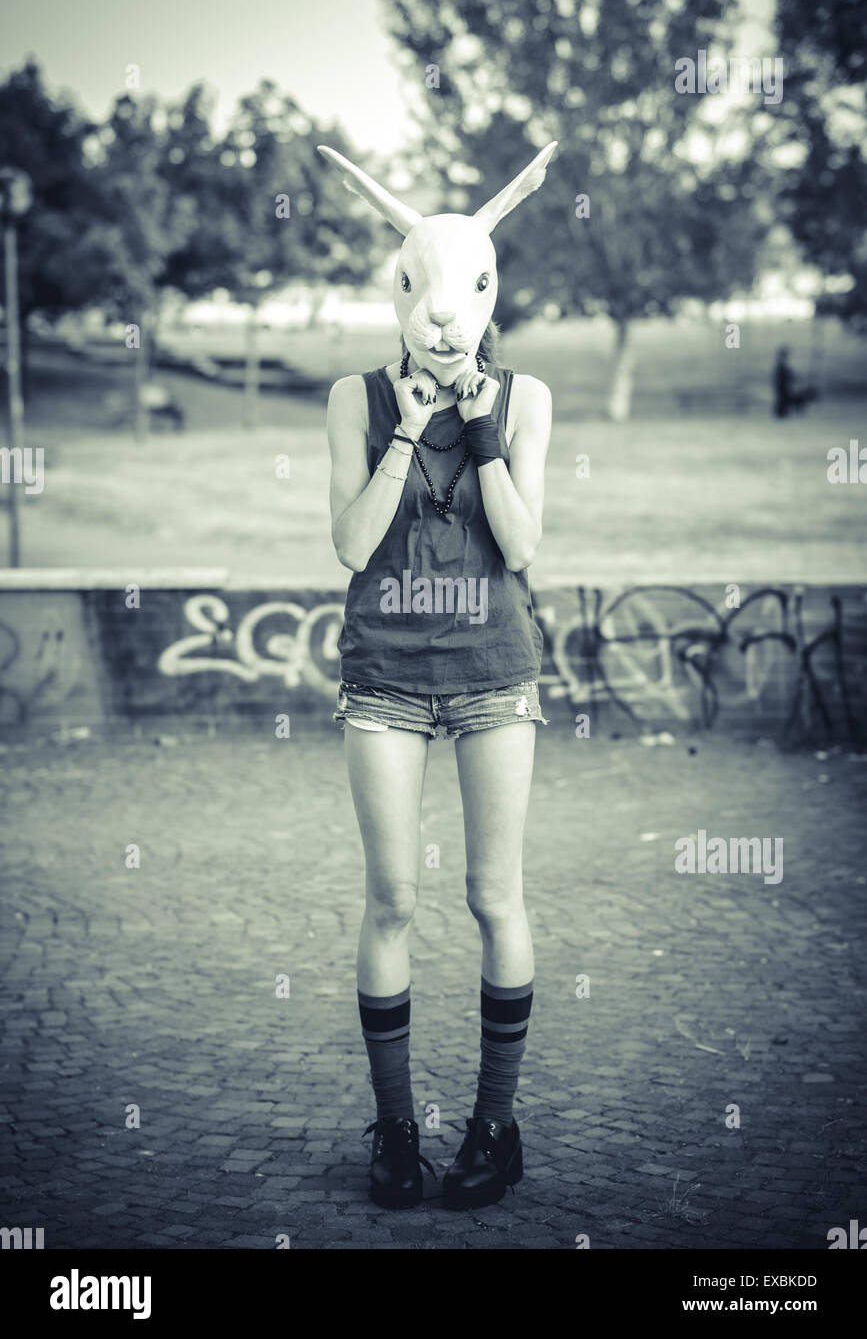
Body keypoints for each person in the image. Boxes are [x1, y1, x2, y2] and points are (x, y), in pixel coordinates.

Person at [320, 140, 557, 1210]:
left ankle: (494, 1128)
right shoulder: (352, 399)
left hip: (492, 673)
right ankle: (397, 1131)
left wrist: (483, 433)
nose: (445, 321)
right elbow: (352, 547)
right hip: (382, 679)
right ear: (402, 289)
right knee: (391, 900)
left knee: (492, 894)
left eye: (466, 296)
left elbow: (521, 547)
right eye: (425, 293)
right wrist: (409, 437)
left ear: (487, 293)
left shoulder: (527, 398)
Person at [773, 346, 816, 418]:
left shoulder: (782, 367)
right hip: (782, 388)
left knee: (783, 402)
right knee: (783, 402)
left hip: (784, 388)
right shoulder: (781, 367)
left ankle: (783, 412)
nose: (784, 359)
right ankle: (782, 412)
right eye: (783, 356)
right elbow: (787, 377)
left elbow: (790, 377)